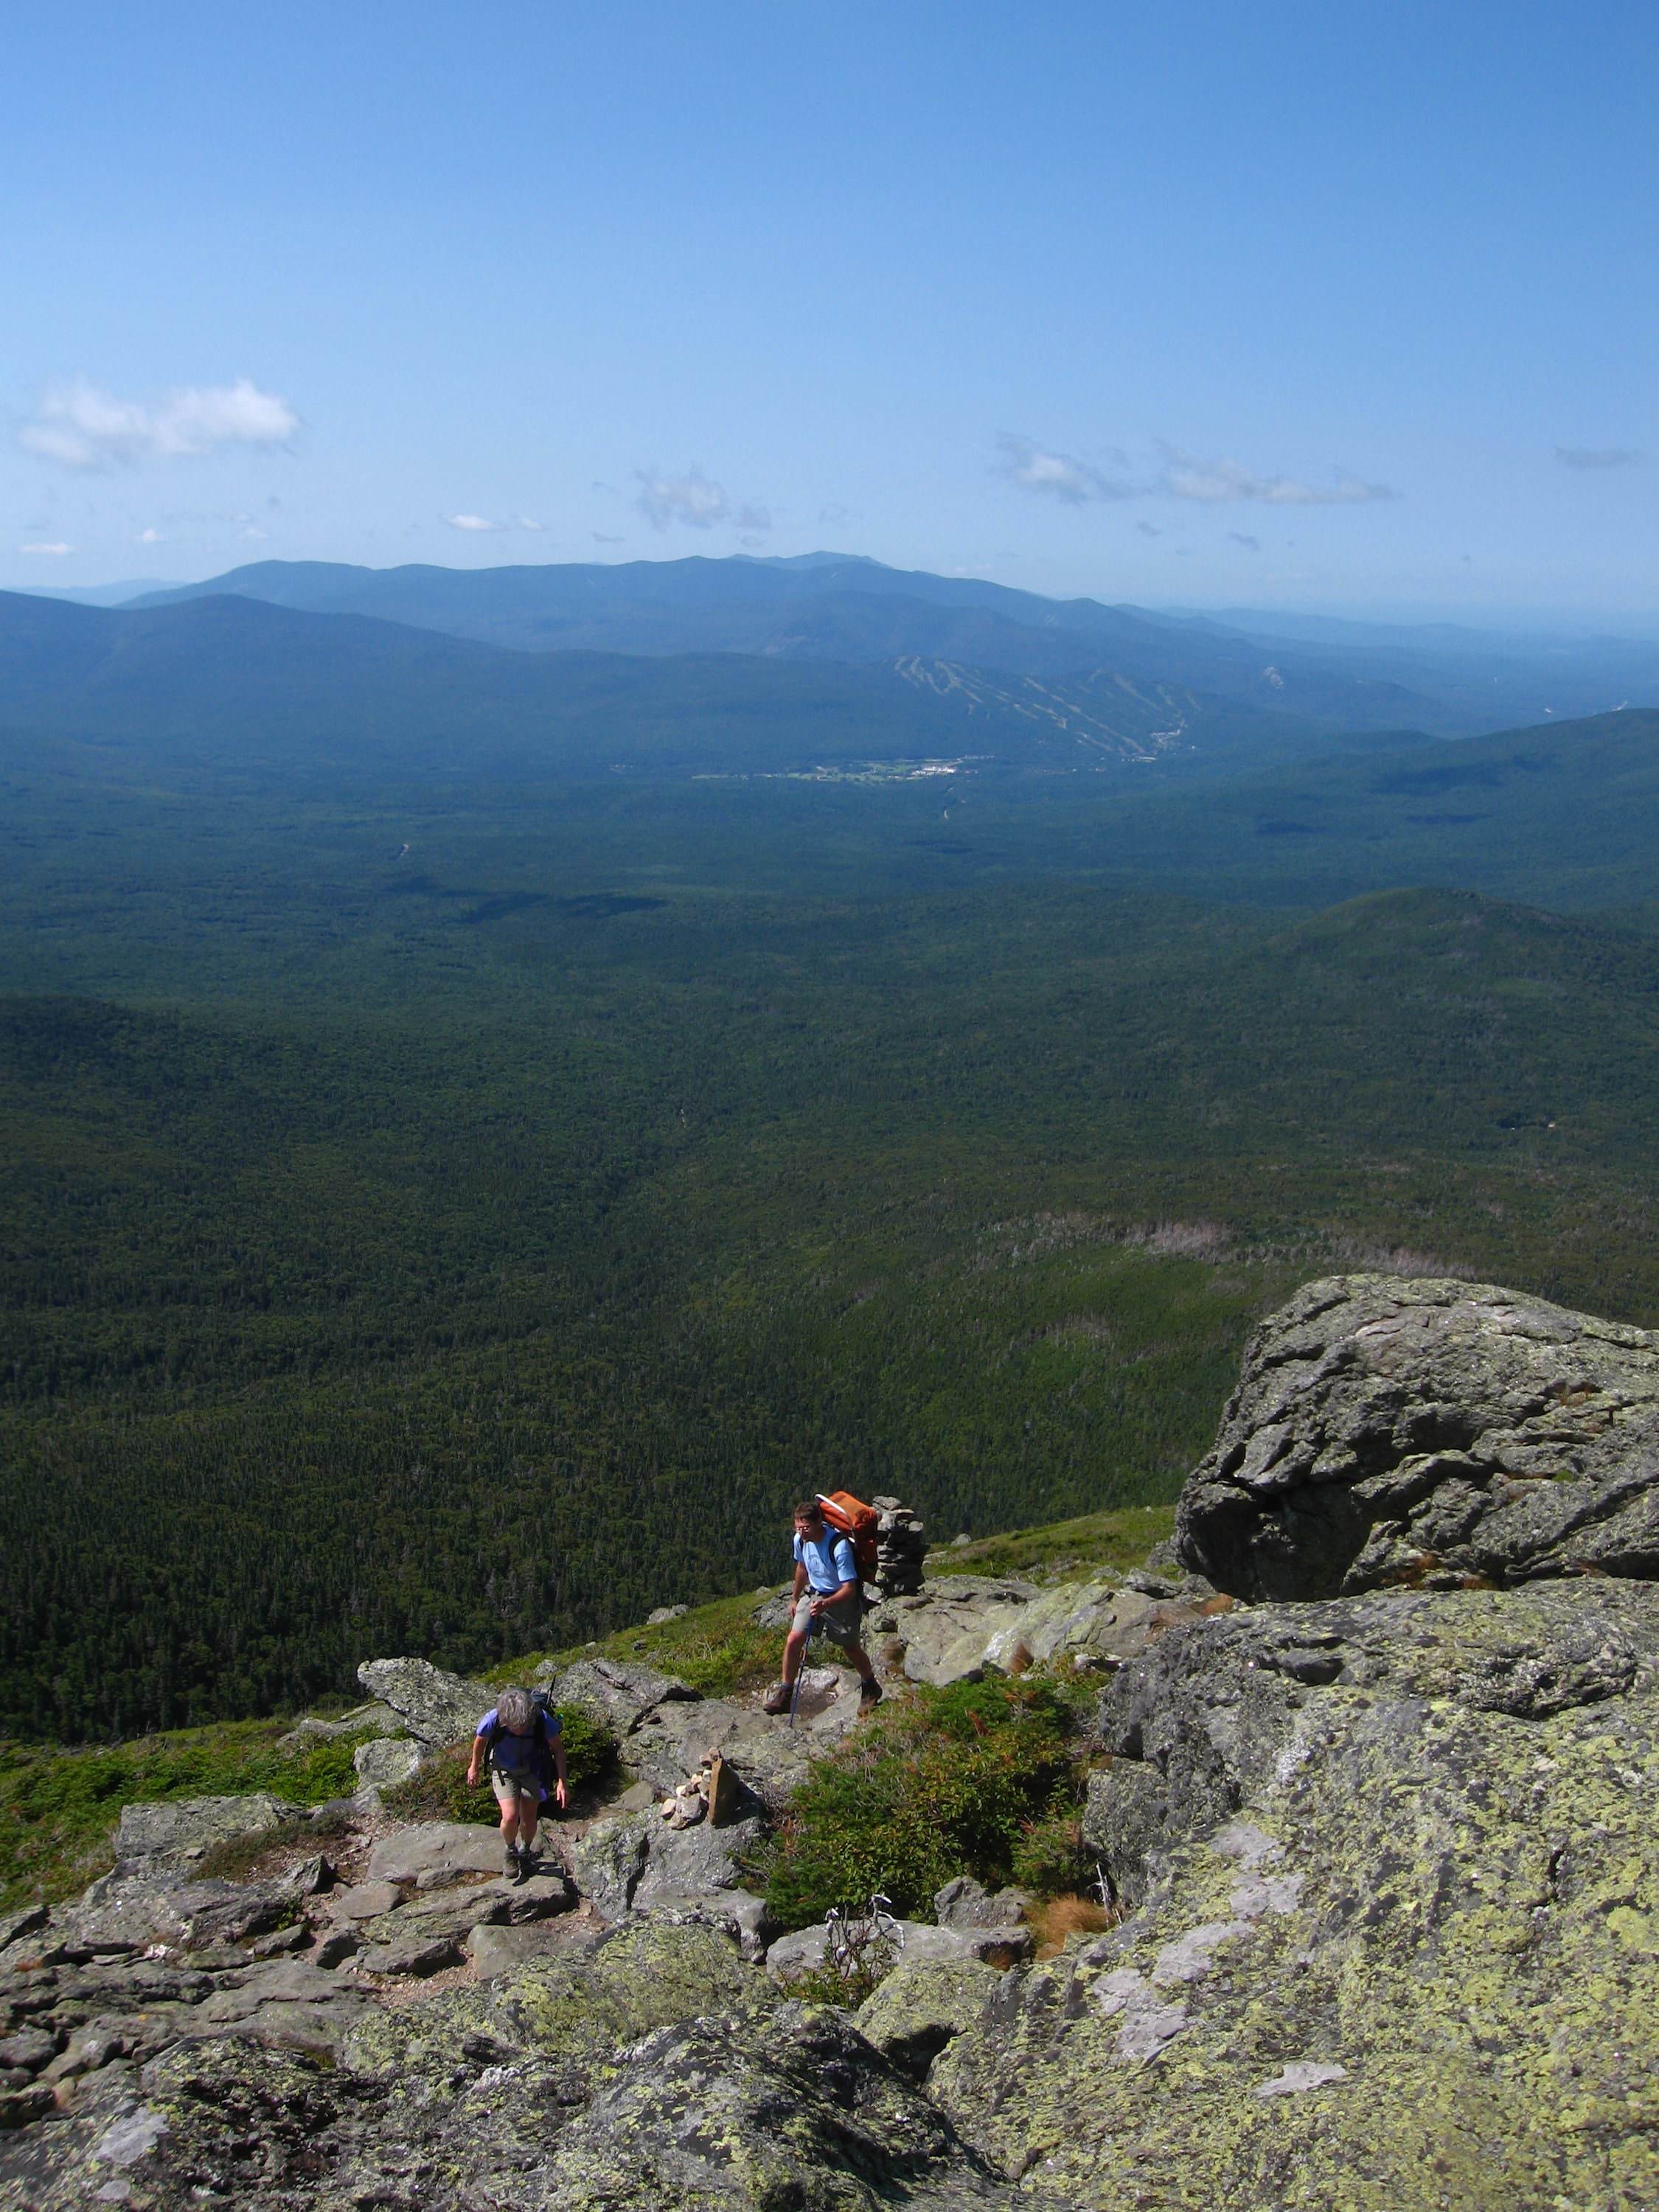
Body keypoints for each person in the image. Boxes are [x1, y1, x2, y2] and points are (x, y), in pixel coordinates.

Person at [762, 1500, 883, 1716]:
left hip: (840, 1599)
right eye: (798, 1527)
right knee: (793, 1639)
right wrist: (795, 1597)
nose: (801, 1532)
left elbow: (850, 1589)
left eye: (805, 1527)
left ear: (819, 1523)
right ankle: (785, 1694)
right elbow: (802, 1567)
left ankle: (870, 1685)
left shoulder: (839, 1546)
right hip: (815, 1594)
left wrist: (827, 1603)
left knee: (850, 1646)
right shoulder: (801, 1540)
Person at [467, 1685, 568, 1877]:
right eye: (515, 1725)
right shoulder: (492, 1720)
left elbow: (558, 1750)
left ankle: (525, 1851)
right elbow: (480, 1741)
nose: (520, 1729)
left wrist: (562, 1781)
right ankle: (510, 1850)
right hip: (504, 1769)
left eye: (524, 1725)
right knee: (511, 1816)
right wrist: (474, 1767)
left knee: (529, 1817)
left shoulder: (541, 1720)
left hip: (534, 1768)